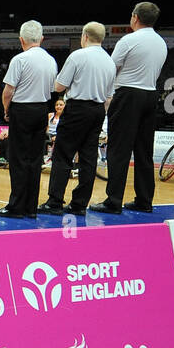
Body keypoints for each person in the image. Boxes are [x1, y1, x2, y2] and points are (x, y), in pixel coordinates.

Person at [91, 1, 168, 214]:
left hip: (128, 94)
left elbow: (110, 69)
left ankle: (113, 201)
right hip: (150, 95)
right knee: (144, 151)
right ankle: (144, 200)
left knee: (118, 149)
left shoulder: (129, 40)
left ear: (135, 17)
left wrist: (107, 96)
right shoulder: (161, 42)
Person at [38, 21, 116, 215]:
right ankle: (79, 205)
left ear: (84, 36)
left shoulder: (78, 56)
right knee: (88, 159)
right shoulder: (109, 61)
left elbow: (59, 87)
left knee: (63, 155)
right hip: (97, 110)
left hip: (77, 109)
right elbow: (109, 96)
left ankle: (55, 202)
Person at [0, 20, 58, 219]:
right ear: (42, 39)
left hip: (22, 110)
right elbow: (52, 90)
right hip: (41, 109)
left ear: (21, 40)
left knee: (18, 159)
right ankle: (31, 207)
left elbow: (8, 91)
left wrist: (6, 109)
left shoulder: (19, 59)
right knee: (35, 159)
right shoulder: (51, 60)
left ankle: (16, 206)